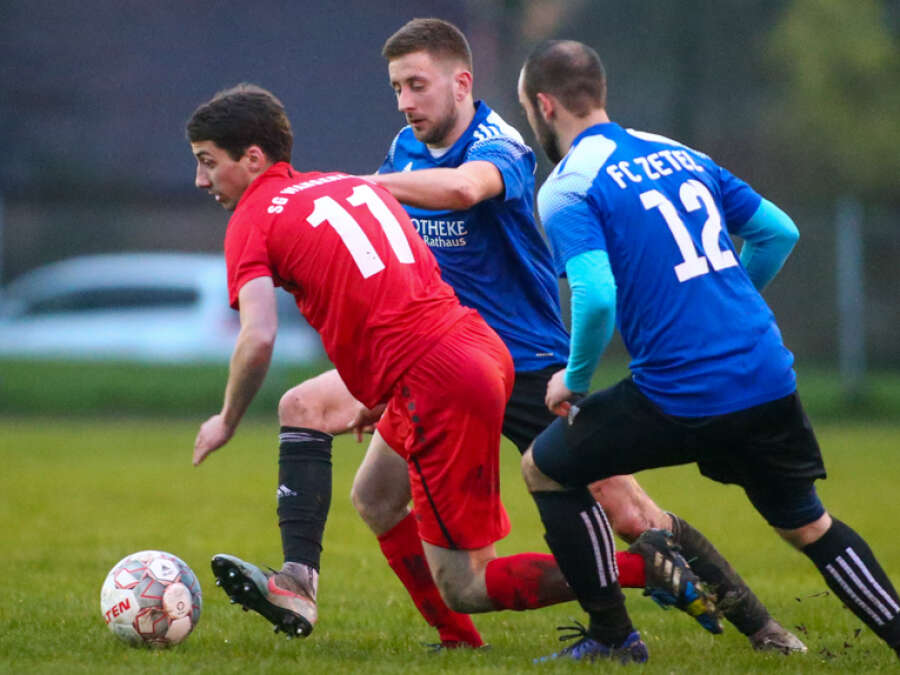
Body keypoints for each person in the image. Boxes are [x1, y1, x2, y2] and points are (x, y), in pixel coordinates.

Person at [276, 17, 803, 652]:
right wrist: (385, 380)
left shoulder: (502, 146)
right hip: (442, 359)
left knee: (632, 514)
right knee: (375, 495)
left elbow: (467, 190)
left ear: (461, 82)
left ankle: (766, 631)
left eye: (416, 85)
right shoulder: (404, 150)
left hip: (525, 362)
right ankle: (458, 641)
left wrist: (367, 184)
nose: (405, 102)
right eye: (396, 88)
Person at [186, 82, 693, 644]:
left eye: (208, 163)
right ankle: (387, 615)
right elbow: (388, 290)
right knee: (368, 488)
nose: (201, 180)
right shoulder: (348, 186)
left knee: (467, 584)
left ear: (253, 159)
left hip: (438, 378)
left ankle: (647, 568)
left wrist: (226, 420)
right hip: (471, 345)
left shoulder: (252, 219)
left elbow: (257, 337)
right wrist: (379, 391)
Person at [515, 39, 900, 663]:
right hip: (766, 371)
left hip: (681, 392)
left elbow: (596, 298)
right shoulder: (679, 152)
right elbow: (779, 232)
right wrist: (726, 304)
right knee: (809, 526)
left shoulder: (567, 188)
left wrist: (575, 381)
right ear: (601, 92)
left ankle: (614, 639)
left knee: (546, 467)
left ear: (543, 104)